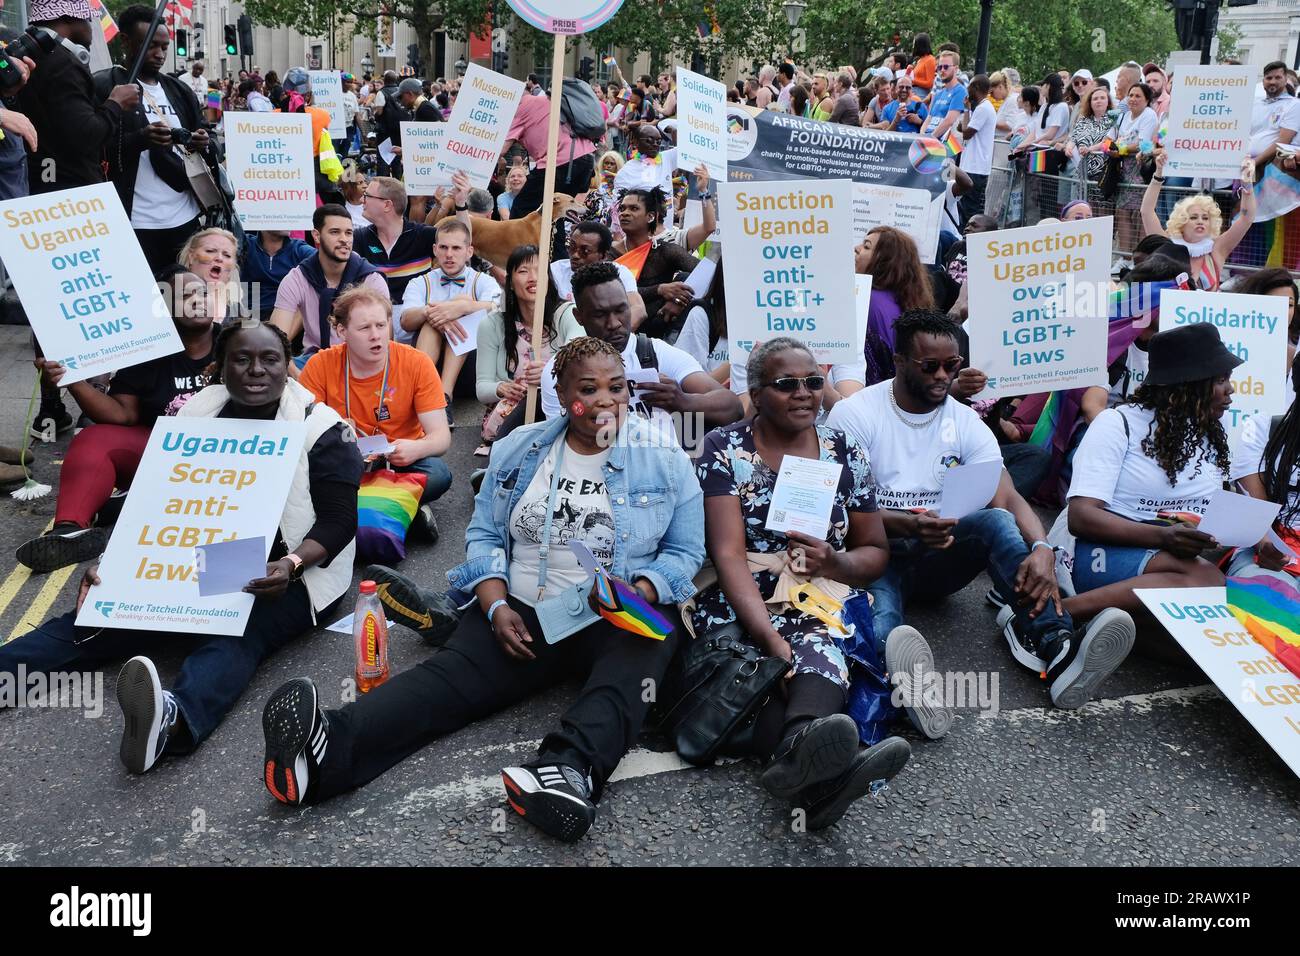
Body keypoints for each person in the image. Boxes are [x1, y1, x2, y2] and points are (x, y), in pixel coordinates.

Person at [259, 336, 703, 843]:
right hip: (526, 608)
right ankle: (322, 756)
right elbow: (486, 534)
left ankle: (566, 772)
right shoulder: (520, 448)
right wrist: (494, 606)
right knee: (447, 681)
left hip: (614, 615)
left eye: (617, 388)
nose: (606, 401)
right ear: (560, 392)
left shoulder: (664, 458)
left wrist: (641, 590)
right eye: (588, 389)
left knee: (644, 652)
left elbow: (685, 552)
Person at [2, 321, 361, 774]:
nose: (256, 370)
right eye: (241, 359)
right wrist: (113, 565)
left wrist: (289, 564)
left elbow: (340, 521)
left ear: (288, 366)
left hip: (283, 568)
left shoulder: (324, 429)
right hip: (189, 557)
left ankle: (171, 722)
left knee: (234, 634)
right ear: (219, 368)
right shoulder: (192, 416)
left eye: (270, 359)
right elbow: (153, 503)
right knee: (94, 619)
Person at [826, 311, 1137, 708]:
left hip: (939, 558)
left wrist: (1043, 549)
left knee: (997, 521)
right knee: (884, 628)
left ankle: (1058, 647)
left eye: (951, 365)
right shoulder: (856, 414)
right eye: (930, 366)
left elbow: (1004, 495)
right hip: (874, 555)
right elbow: (840, 511)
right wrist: (907, 525)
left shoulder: (964, 421)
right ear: (900, 362)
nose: (943, 376)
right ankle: (898, 694)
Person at [693, 338, 913, 826]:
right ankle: (823, 770)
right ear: (755, 391)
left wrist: (833, 561)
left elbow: (875, 551)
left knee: (811, 649)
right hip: (742, 596)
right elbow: (727, 554)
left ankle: (806, 770)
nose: (804, 393)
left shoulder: (843, 449)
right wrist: (770, 638)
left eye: (814, 382)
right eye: (786, 383)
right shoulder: (723, 449)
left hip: (820, 591)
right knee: (801, 659)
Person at [15, 268, 218, 572]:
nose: (197, 301)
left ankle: (128, 507)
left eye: (202, 293)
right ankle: (68, 532)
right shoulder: (151, 349)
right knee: (93, 439)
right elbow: (123, 414)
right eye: (185, 296)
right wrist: (70, 379)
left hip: (228, 462)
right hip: (166, 455)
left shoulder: (236, 340)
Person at [1065, 324, 1239, 652]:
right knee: (1207, 583)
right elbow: (1081, 517)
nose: (1230, 390)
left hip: (1177, 560)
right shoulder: (1118, 424)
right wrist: (1164, 535)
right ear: (1185, 385)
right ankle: (1061, 612)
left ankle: (1108, 635)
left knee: (1220, 634)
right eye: (1219, 380)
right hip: (1108, 554)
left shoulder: (1214, 430)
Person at [298, 285, 451, 535]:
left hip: (399, 461)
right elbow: (301, 435)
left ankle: (357, 512)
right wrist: (332, 430)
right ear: (341, 331)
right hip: (344, 462)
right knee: (305, 478)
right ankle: (401, 509)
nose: (376, 335)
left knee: (438, 474)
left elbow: (441, 438)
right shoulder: (319, 365)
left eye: (381, 325)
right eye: (364, 328)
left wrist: (416, 448)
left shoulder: (416, 362)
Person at [539, 262, 742, 437]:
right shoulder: (558, 371)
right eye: (600, 314)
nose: (614, 323)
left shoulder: (658, 354)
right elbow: (560, 439)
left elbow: (732, 407)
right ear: (578, 317)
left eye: (620, 310)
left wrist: (684, 401)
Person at [94, 5, 214, 274]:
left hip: (185, 216)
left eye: (164, 47)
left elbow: (208, 134)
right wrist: (140, 139)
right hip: (134, 221)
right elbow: (89, 145)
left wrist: (203, 140)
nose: (159, 54)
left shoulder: (179, 90)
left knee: (185, 302)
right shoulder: (105, 86)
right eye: (151, 46)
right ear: (125, 41)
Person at [14, 0, 139, 196]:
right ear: (70, 18)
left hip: (37, 181)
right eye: (88, 20)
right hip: (71, 194)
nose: (90, 29)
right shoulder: (63, 63)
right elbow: (86, 135)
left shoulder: (27, 54)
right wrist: (116, 103)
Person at [477, 245, 582, 435]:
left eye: (539, 271)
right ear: (509, 282)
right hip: (513, 410)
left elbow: (579, 351)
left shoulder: (566, 313)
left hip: (561, 403)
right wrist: (502, 388)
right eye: (523, 271)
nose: (533, 278)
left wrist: (552, 368)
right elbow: (482, 387)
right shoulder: (492, 325)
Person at [397, 219, 501, 405]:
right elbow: (405, 321)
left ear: (469, 251)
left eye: (456, 248)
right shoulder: (420, 282)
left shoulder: (483, 280)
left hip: (473, 368)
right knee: (431, 319)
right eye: (443, 248)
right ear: (435, 250)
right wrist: (436, 313)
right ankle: (439, 396)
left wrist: (462, 307)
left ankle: (441, 395)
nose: (449, 254)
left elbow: (498, 310)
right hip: (429, 365)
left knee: (464, 302)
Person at [269, 204, 388, 363]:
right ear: (317, 236)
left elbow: (386, 340)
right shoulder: (297, 278)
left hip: (361, 357)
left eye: (348, 233)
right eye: (335, 232)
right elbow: (274, 343)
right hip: (314, 359)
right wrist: (300, 379)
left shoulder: (371, 279)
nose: (344, 239)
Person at [1142, 152, 1255, 292]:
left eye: (1205, 218)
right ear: (1181, 222)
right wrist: (1158, 173)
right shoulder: (1166, 245)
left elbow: (1246, 218)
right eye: (1194, 217)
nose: (1200, 221)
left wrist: (1247, 181)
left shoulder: (1216, 248)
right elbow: (1147, 212)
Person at [1233, 352, 1300, 585]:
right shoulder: (1261, 429)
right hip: (1272, 550)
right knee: (1267, 592)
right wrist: (1265, 544)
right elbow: (1258, 515)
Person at [613, 187, 705, 338]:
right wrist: (660, 289)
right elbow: (612, 293)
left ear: (650, 217)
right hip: (617, 333)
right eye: (622, 208)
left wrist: (679, 301)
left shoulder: (665, 250)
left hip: (660, 338)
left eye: (634, 208)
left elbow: (708, 274)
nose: (624, 213)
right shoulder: (609, 253)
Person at [855, 226, 936, 385]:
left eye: (866, 246)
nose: (856, 249)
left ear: (885, 260)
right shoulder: (903, 300)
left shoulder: (870, 300)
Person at [352, 175, 438, 325]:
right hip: (375, 321)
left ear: (387, 205)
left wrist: (460, 204)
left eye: (367, 196)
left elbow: (464, 244)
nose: (361, 200)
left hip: (416, 321)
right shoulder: (359, 238)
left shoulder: (422, 235)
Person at [505, 84, 597, 217]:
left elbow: (502, 149)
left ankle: (521, 239)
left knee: (522, 210)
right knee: (556, 211)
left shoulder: (519, 109)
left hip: (561, 161)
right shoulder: (545, 100)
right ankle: (554, 238)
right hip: (585, 157)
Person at [551, 221, 647, 325]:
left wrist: (617, 335)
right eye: (572, 247)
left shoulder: (618, 273)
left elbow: (639, 310)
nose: (575, 255)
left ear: (603, 256)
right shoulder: (555, 270)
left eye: (585, 251)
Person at [244, 230, 315, 321]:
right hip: (249, 316)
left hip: (287, 316)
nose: (286, 217)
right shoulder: (245, 244)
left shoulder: (299, 249)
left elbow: (326, 263)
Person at [1235, 268, 1299, 367]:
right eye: (1274, 303)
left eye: (1289, 305)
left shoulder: (1296, 357)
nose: (1282, 311)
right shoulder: (1232, 350)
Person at [177, 227, 240, 321]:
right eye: (210, 251)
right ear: (191, 257)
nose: (219, 258)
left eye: (227, 255)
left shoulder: (238, 313)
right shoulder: (168, 302)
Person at [958, 74, 996, 225]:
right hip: (972, 166)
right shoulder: (980, 108)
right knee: (966, 207)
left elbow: (966, 133)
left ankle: (968, 241)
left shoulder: (984, 108)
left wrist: (967, 110)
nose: (967, 90)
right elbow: (961, 127)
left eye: (970, 86)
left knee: (970, 210)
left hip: (976, 167)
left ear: (977, 88)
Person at [1064, 84, 1115, 181]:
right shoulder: (1083, 120)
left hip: (1103, 173)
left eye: (1102, 98)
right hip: (1081, 171)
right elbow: (1073, 138)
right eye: (1095, 99)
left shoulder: (1113, 119)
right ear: (1090, 103)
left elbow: (1108, 141)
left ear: (1108, 101)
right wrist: (1069, 147)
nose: (1099, 101)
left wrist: (1089, 149)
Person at [923, 51, 966, 141]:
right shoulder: (938, 93)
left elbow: (949, 121)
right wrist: (922, 136)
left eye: (946, 67)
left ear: (956, 68)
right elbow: (929, 118)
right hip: (929, 140)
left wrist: (930, 139)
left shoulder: (960, 91)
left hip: (943, 144)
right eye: (940, 67)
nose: (942, 70)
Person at [910, 33, 936, 97]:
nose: (913, 46)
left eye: (914, 44)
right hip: (913, 92)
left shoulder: (930, 60)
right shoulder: (920, 60)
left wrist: (913, 80)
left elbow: (930, 83)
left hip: (921, 94)